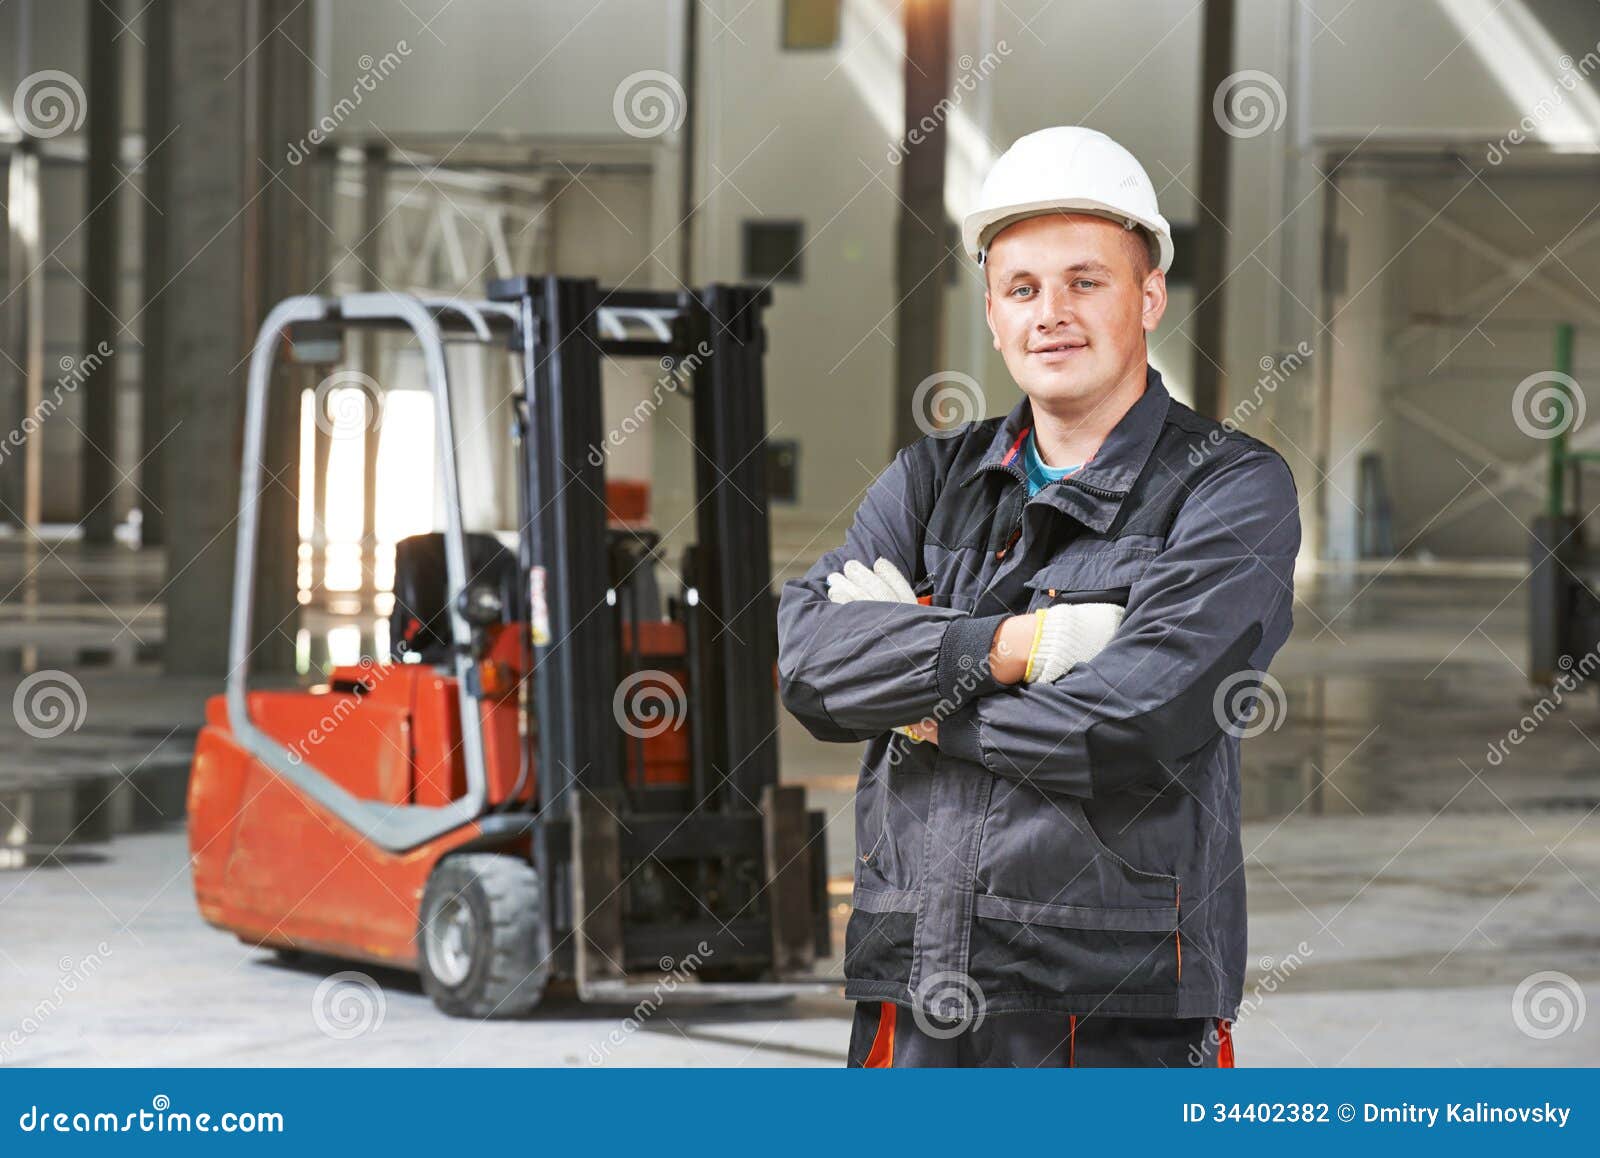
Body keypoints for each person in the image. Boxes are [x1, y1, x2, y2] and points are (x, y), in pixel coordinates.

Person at [776, 126, 1301, 1067]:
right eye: (1023, 289)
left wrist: (925, 709)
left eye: (1084, 282)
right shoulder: (933, 478)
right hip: (912, 981)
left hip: (1112, 993)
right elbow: (812, 665)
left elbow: (1133, 717)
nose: (1050, 312)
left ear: (1148, 297)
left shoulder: (1227, 489)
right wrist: (1015, 649)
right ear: (991, 312)